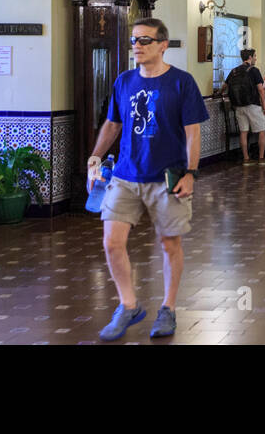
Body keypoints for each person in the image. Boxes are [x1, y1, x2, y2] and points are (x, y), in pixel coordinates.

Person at [87, 18, 208, 341]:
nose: (137, 46)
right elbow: (112, 125)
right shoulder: (124, 81)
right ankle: (128, 305)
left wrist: (191, 173)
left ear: (163, 45)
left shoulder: (182, 83)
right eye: (134, 41)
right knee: (112, 243)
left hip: (166, 177)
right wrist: (95, 158)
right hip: (125, 175)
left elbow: (192, 132)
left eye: (145, 40)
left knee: (170, 244)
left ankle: (168, 308)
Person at [223, 47, 265, 166]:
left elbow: (224, 86)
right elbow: (260, 89)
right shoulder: (254, 70)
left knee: (243, 132)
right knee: (261, 131)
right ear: (250, 57)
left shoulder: (234, 71)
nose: (256, 58)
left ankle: (246, 159)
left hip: (238, 106)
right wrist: (264, 105)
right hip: (253, 105)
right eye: (254, 56)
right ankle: (261, 158)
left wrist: (218, 93)